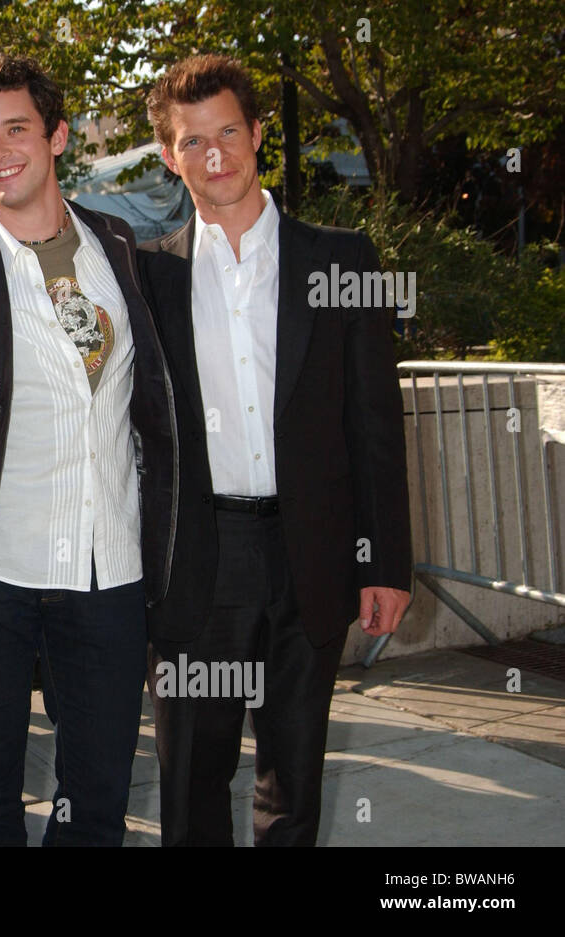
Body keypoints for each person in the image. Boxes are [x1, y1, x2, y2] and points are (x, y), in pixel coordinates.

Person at [0, 52, 178, 846]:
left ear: (56, 135)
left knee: (95, 804)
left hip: (110, 567)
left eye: (14, 128)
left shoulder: (121, 247)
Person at [136, 54, 412, 846]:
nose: (215, 154)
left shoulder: (342, 259)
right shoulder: (148, 276)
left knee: (293, 780)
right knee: (192, 777)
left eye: (229, 132)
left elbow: (375, 420)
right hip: (198, 561)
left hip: (312, 554)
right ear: (169, 155)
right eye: (193, 141)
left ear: (258, 134)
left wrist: (386, 560)